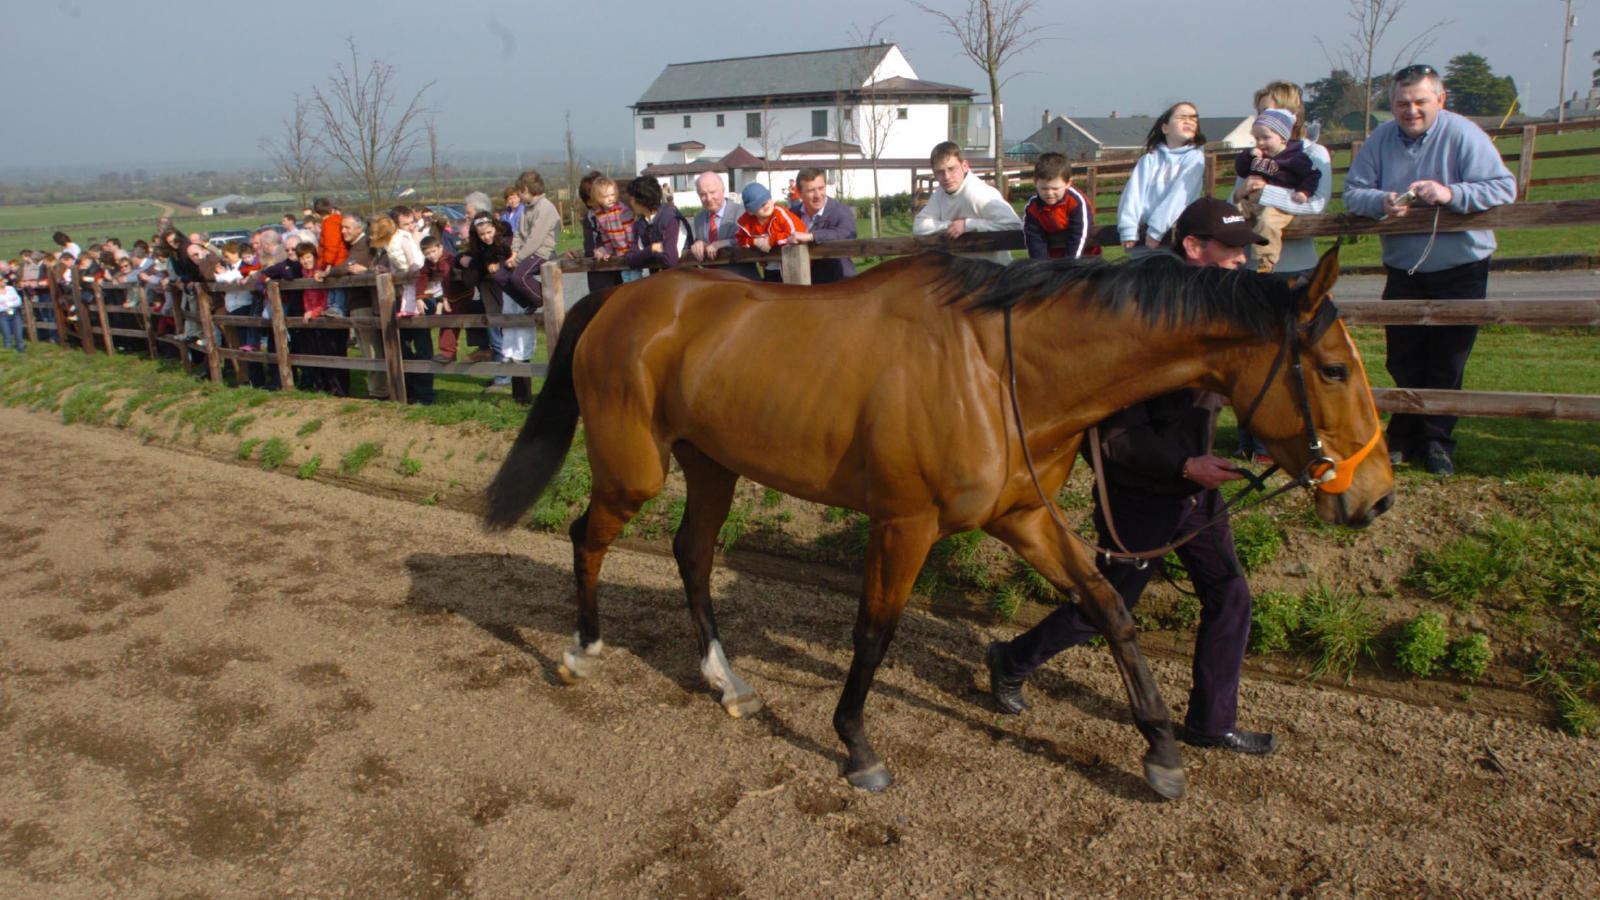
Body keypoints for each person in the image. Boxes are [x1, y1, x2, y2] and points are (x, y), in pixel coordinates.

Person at [985, 196, 1278, 757]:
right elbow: (1112, 434)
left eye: (1246, 252)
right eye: (1232, 252)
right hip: (1140, 494)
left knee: (1229, 591)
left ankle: (1212, 722)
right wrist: (1182, 464)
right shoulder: (1136, 317)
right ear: (1193, 249)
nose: (1241, 261)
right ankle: (1012, 659)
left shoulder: (1205, 314)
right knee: (1109, 604)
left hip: (1199, 487)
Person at [1343, 64, 1516, 477]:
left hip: (1460, 265)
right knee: (1402, 357)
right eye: (1402, 103)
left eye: (1420, 101)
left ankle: (1438, 442)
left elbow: (1503, 186)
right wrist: (1381, 202)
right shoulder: (1380, 140)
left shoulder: (1463, 134)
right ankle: (1401, 437)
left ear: (1440, 99)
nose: (1411, 110)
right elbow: (1353, 192)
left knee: (1448, 359)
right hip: (1404, 267)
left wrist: (1451, 193)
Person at [1231, 81, 1335, 461]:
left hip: (1293, 265)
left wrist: (1267, 194)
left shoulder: (1311, 153)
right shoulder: (1255, 152)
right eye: (1258, 109)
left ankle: (1286, 436)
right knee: (1251, 351)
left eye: (1268, 109)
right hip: (1251, 265)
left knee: (1292, 354)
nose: (1260, 118)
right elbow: (1235, 196)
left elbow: (1316, 204)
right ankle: (1250, 437)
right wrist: (1246, 190)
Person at [1230, 108, 1320, 274]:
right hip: (1253, 200)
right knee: (1232, 216)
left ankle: (1265, 261)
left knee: (1267, 223)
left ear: (1283, 138)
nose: (1261, 143)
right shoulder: (1258, 156)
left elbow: (1312, 175)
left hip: (1278, 205)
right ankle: (1230, 254)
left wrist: (1304, 192)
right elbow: (1241, 170)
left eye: (1266, 137)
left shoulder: (1294, 158)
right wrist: (1250, 156)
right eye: (1256, 138)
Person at [1117, 102, 1207, 253]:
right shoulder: (1149, 159)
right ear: (1165, 128)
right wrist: (1128, 228)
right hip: (1142, 238)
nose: (1189, 121)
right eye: (1182, 117)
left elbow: (1180, 196)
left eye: (1194, 119)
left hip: (1175, 237)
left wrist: (1157, 228)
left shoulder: (1195, 158)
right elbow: (1133, 194)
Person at [912, 141, 1022, 265]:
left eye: (951, 169)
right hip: (961, 273)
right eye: (940, 172)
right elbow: (919, 227)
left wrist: (969, 225)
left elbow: (1015, 225)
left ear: (965, 166)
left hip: (994, 274)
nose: (947, 177)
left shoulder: (977, 193)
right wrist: (951, 226)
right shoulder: (940, 193)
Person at [1023, 152, 1099, 260]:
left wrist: (1068, 264)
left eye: (1055, 188)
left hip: (1085, 257)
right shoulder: (1032, 207)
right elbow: (1034, 239)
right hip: (1053, 260)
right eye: (1044, 188)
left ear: (1068, 183)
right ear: (1035, 183)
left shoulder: (1076, 202)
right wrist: (1041, 266)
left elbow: (1079, 234)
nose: (1049, 193)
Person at [789, 166, 858, 283]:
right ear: (799, 194)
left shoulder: (840, 211)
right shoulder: (792, 214)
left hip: (838, 283)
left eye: (821, 188)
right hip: (800, 284)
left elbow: (848, 233)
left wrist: (812, 236)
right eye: (811, 190)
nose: (818, 195)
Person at [688, 172, 756, 280]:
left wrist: (725, 243)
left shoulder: (742, 213)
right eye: (703, 194)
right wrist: (698, 244)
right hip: (712, 284)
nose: (708, 198)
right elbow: (702, 244)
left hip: (742, 283)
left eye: (712, 192)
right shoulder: (699, 219)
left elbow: (752, 241)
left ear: (723, 190)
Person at [733, 182, 805, 281]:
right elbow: (739, 240)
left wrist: (771, 240)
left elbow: (797, 234)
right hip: (769, 268)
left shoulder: (780, 214)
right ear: (750, 211)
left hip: (792, 267)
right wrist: (755, 242)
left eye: (767, 199)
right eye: (758, 203)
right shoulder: (747, 223)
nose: (765, 204)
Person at [623, 176, 695, 273]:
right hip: (658, 281)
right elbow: (631, 260)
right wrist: (652, 249)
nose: (630, 203)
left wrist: (646, 255)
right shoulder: (640, 224)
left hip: (683, 279)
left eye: (631, 199)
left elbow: (670, 260)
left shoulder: (672, 219)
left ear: (641, 200)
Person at [0, 279, 23, 353]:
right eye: (1, 281)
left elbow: (18, 301)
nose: (3, 282)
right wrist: (9, 304)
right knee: (7, 336)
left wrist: (8, 304)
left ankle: (21, 351)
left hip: (15, 313)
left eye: (3, 280)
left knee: (19, 334)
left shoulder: (11, 289)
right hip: (2, 315)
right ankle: (9, 353)